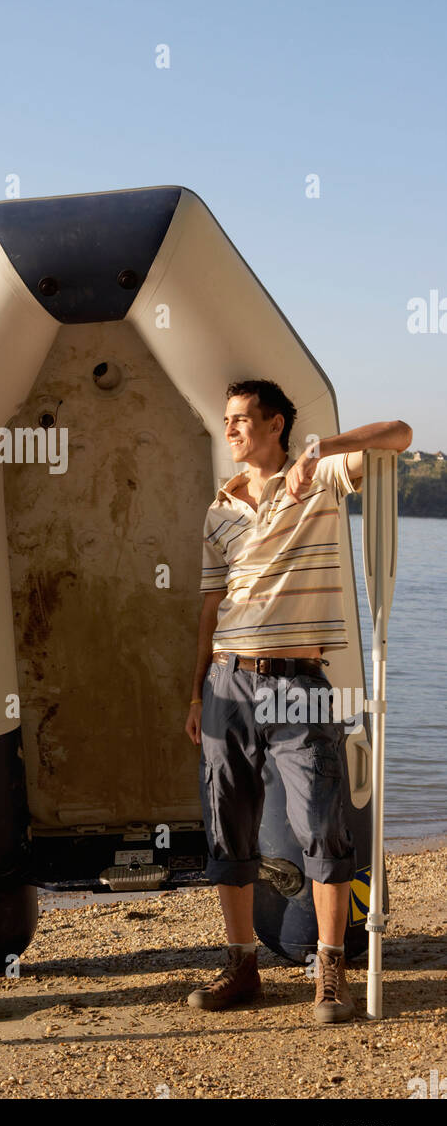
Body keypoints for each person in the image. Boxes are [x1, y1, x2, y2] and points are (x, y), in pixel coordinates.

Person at [184, 380, 412, 1023]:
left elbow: (400, 432)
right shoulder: (219, 508)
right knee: (229, 827)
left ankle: (329, 974)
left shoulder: (319, 479)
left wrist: (321, 449)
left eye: (239, 420)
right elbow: (208, 606)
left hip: (299, 684)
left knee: (320, 824)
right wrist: (195, 691)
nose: (228, 431)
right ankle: (242, 968)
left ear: (275, 424)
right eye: (225, 421)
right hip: (227, 679)